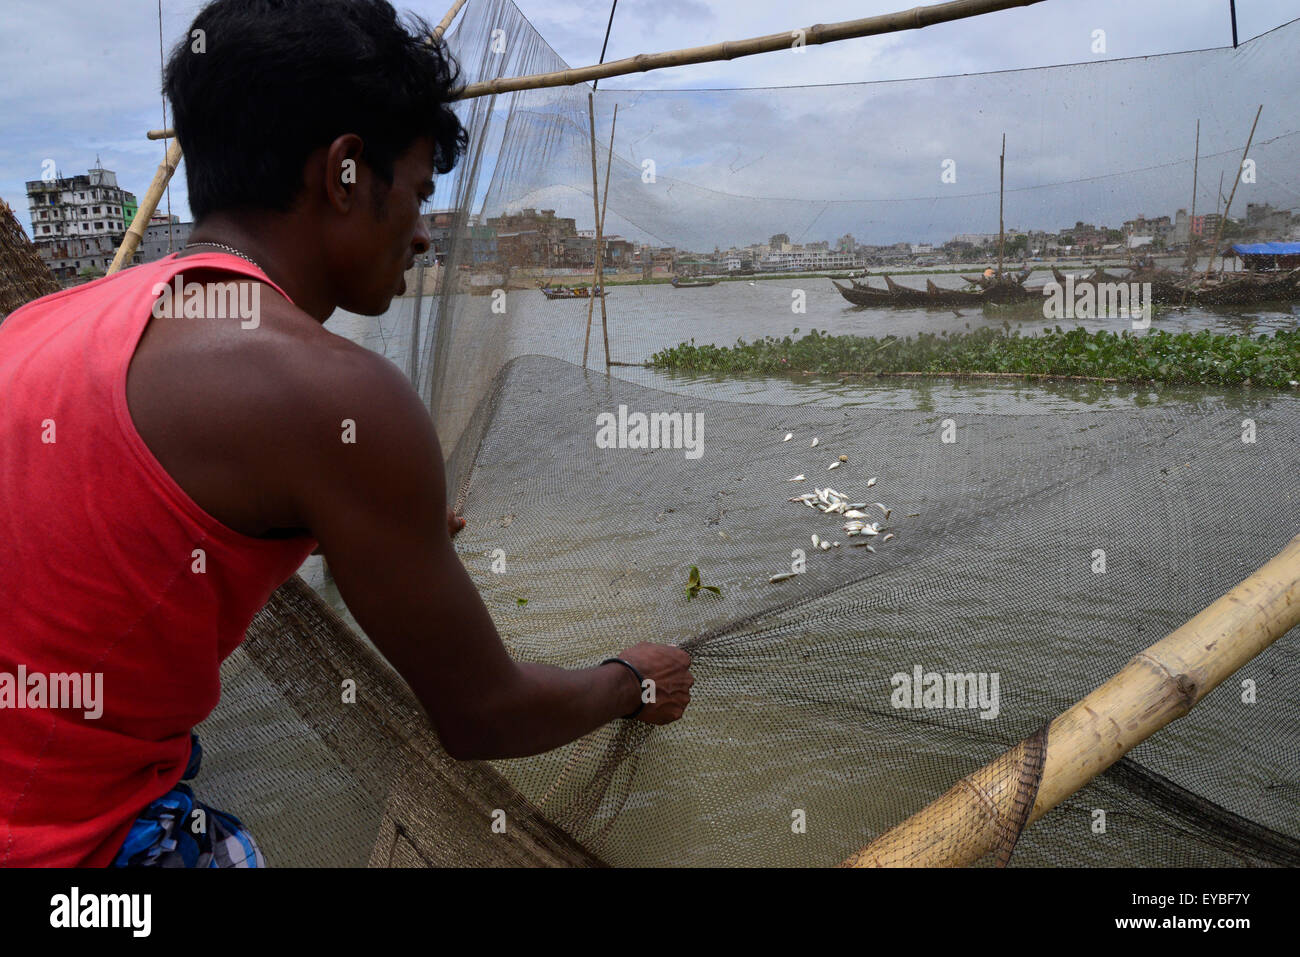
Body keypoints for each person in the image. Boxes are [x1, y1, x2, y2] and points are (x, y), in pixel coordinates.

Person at [0, 0, 692, 868]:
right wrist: (631, 678)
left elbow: (106, 538)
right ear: (347, 175)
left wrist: (352, 533)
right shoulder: (330, 392)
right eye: (418, 190)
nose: (425, 230)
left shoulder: (36, 327)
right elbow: (484, 713)